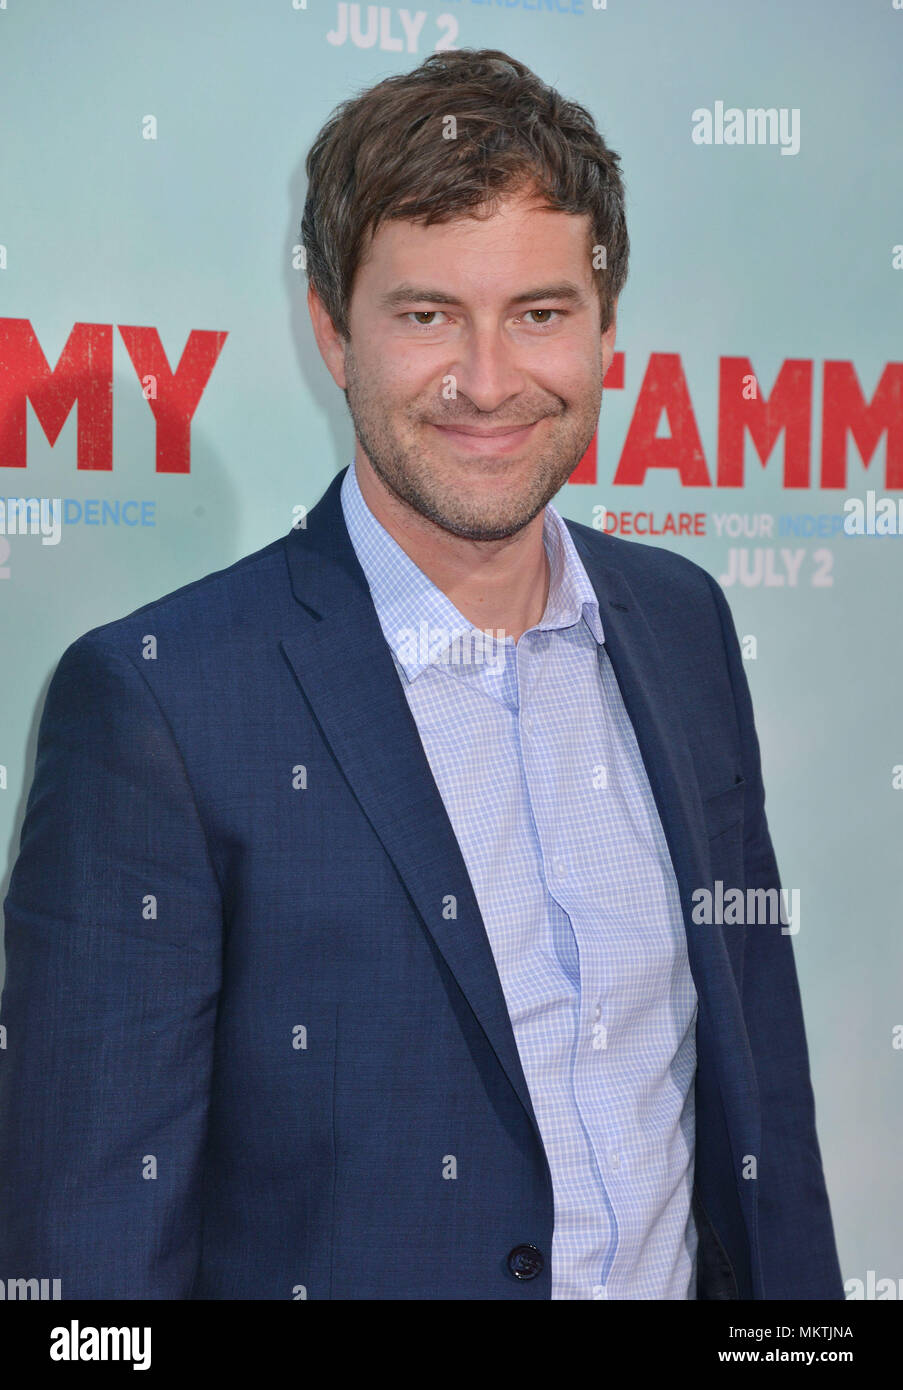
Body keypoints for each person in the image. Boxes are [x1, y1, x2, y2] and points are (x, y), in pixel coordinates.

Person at [0, 48, 842, 1300]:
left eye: (541, 313)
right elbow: (87, 1268)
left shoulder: (685, 627)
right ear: (333, 330)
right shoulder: (160, 704)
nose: (491, 381)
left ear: (609, 329)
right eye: (428, 314)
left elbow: (760, 1104)